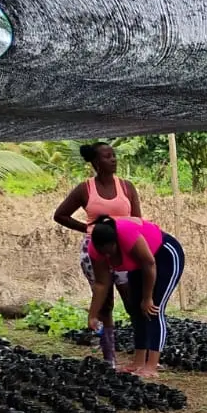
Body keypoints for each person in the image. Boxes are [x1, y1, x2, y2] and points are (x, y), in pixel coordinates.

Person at [53, 142, 143, 368]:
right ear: (95, 162)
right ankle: (109, 357)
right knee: (104, 304)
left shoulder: (126, 187)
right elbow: (61, 215)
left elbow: (137, 220)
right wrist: (88, 228)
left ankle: (142, 353)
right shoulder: (85, 189)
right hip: (96, 250)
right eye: (106, 156)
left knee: (132, 301)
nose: (113, 159)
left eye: (113, 155)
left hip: (124, 249)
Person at [86, 215, 184, 377]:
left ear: (116, 243)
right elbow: (101, 284)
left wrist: (147, 298)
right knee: (136, 309)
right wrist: (93, 315)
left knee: (153, 309)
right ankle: (138, 361)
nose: (107, 256)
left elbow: (149, 263)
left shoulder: (126, 234)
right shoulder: (95, 251)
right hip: (140, 264)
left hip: (164, 255)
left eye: (110, 252)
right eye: (103, 253)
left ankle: (151, 366)